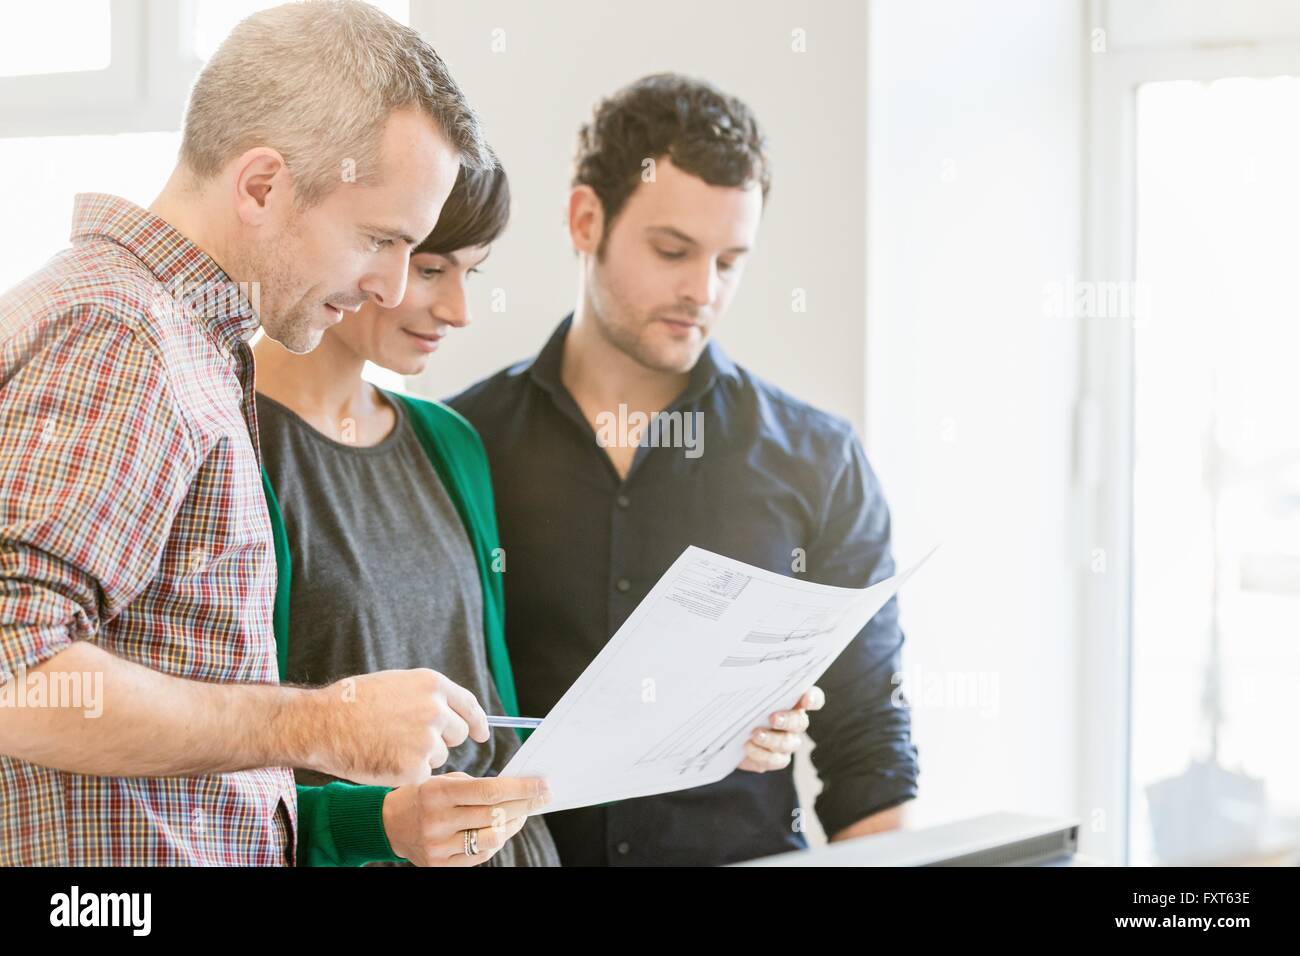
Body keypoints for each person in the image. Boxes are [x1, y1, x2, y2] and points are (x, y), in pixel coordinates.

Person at [0, 0, 499, 865]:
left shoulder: (184, 343)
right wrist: (324, 723)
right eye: (379, 238)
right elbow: (15, 675)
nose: (389, 288)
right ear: (262, 186)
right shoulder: (122, 333)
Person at [449, 73, 920, 865]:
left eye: (731, 261)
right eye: (673, 251)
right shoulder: (461, 445)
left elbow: (869, 741)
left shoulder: (819, 461)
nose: (704, 291)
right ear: (585, 219)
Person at [254, 161, 556, 867]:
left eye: (471, 275)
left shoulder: (449, 443)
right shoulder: (238, 445)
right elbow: (212, 775)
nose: (458, 310)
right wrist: (374, 821)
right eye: (431, 270)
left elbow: (497, 721)